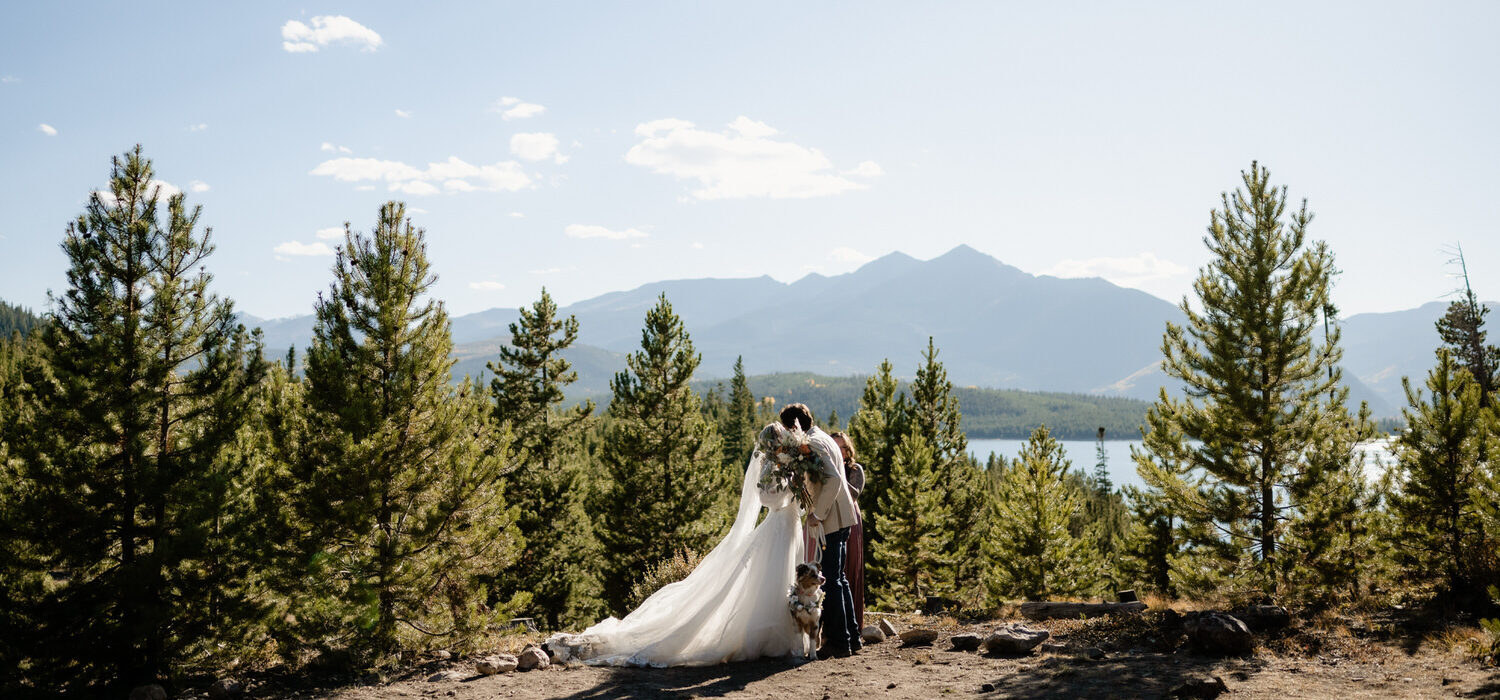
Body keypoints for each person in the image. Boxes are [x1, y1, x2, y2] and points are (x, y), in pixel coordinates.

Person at [546, 422, 806, 667]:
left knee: (785, 576)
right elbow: (765, 497)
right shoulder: (769, 465)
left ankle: (790, 636)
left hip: (791, 525)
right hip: (778, 524)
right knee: (774, 577)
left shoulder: (788, 462)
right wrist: (789, 490)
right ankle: (772, 640)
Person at [781, 403, 861, 659]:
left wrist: (818, 513)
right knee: (840, 578)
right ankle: (852, 637)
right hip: (842, 517)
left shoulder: (814, 443)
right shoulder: (821, 436)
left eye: (787, 428)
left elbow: (835, 479)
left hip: (833, 519)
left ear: (795, 426)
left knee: (834, 581)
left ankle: (838, 642)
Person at [830, 431, 866, 632]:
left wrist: (836, 473)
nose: (838, 450)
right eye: (834, 446)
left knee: (849, 566)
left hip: (850, 520)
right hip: (829, 519)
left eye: (841, 446)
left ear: (848, 449)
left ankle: (852, 626)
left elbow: (854, 494)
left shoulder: (854, 469)